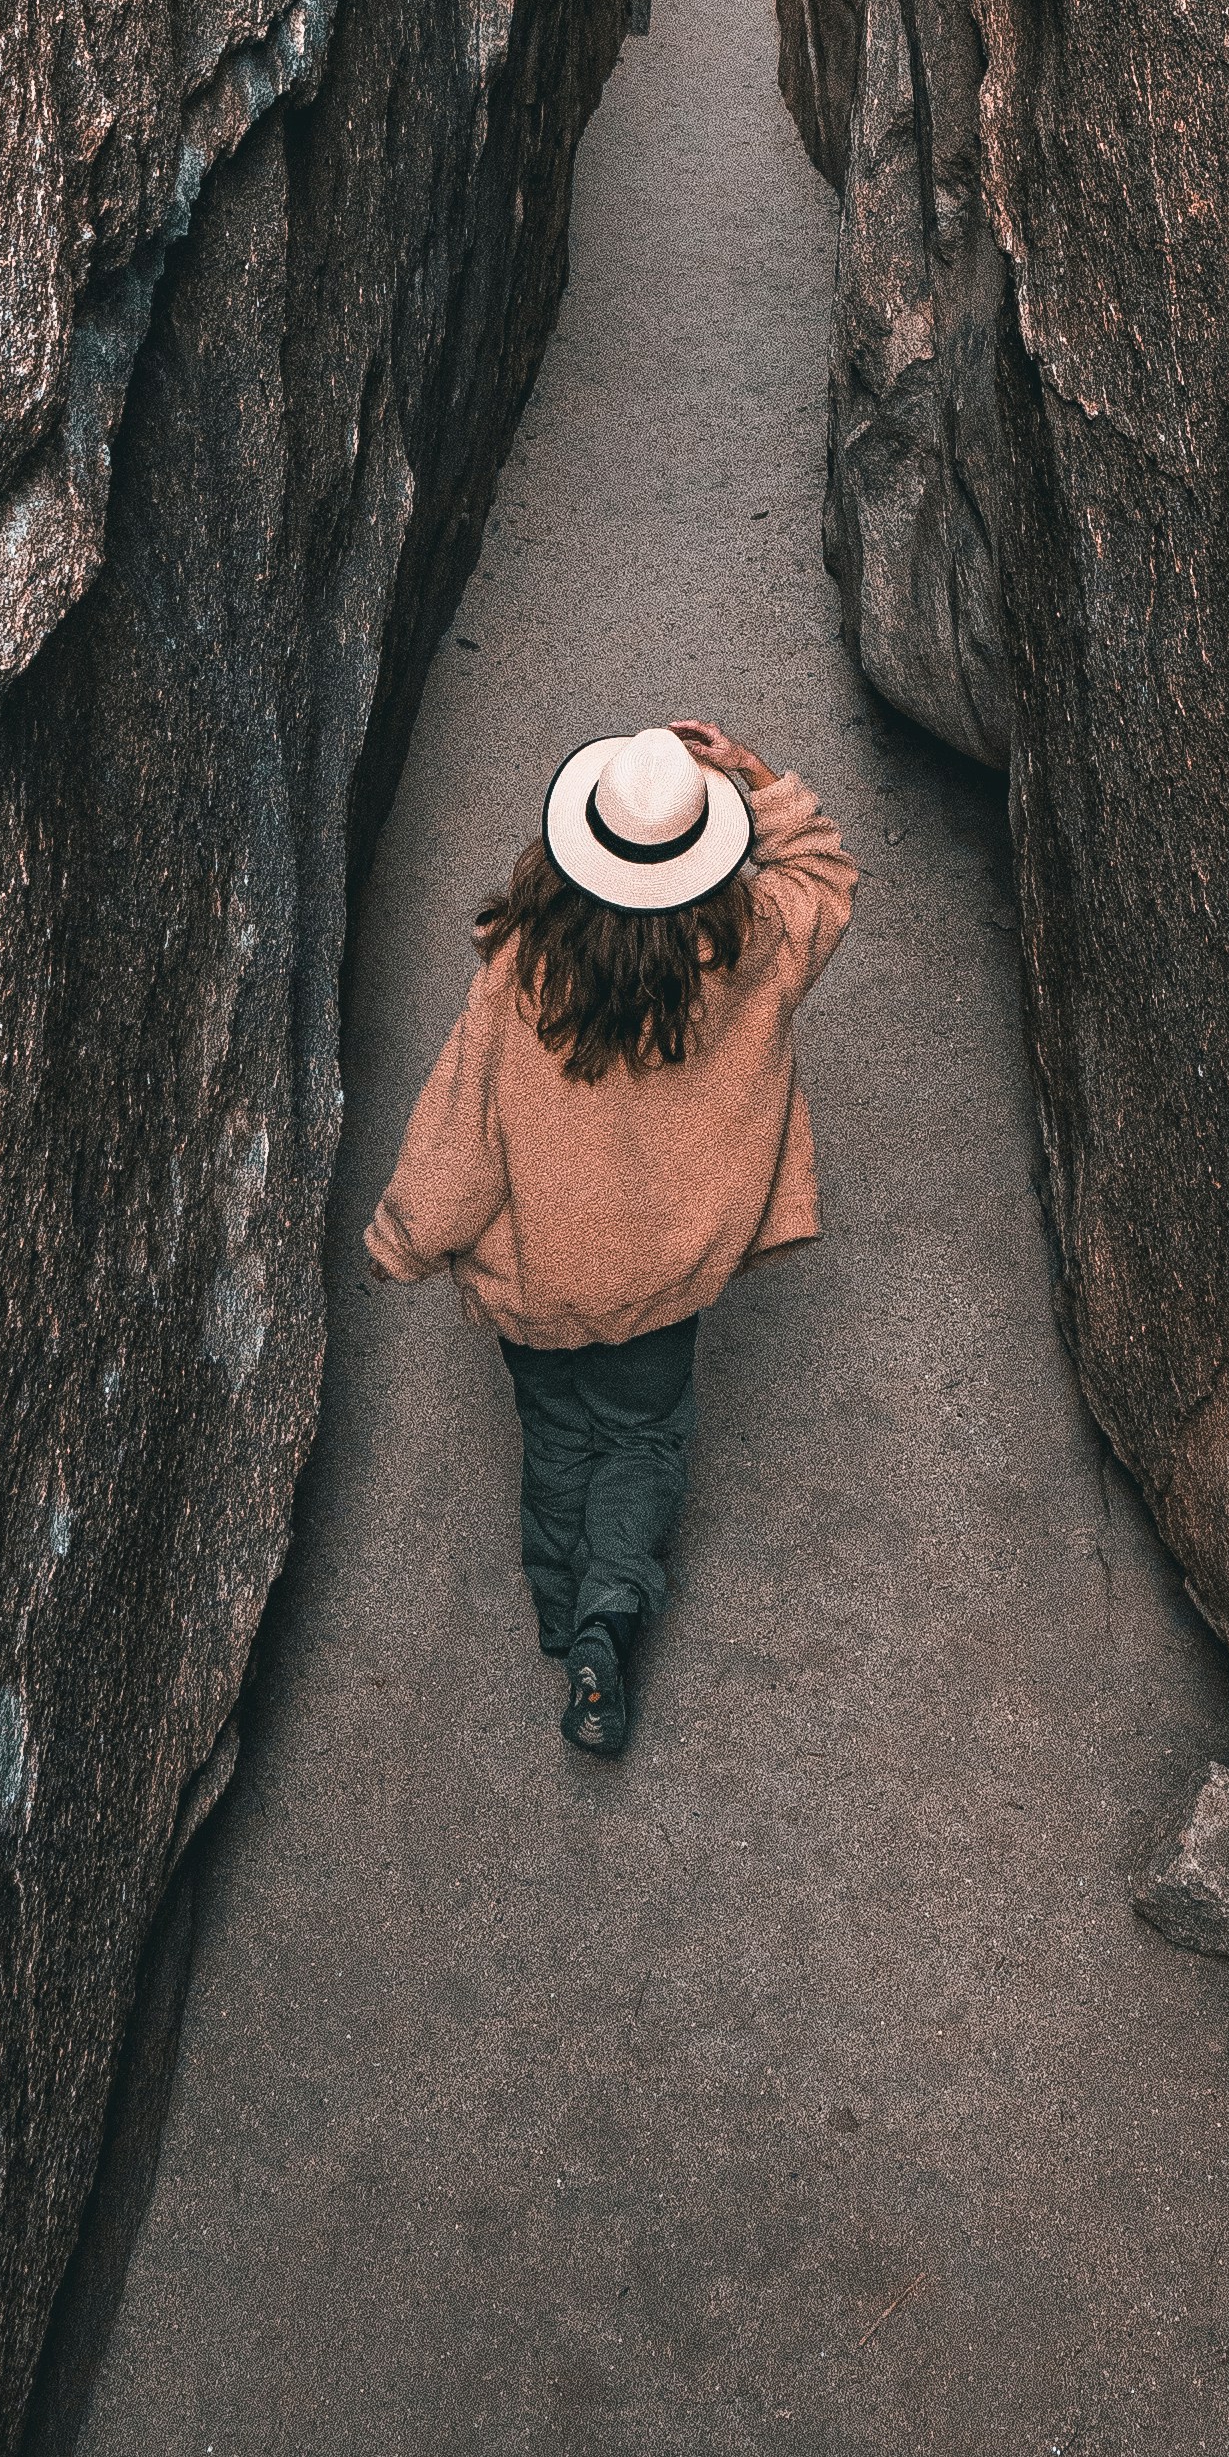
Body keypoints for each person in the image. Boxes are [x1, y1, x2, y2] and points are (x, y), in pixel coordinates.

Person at [365, 711, 858, 1756]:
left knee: (557, 1439)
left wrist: (406, 1235)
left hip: (539, 1283)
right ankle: (608, 1615)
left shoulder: (524, 970)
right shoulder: (753, 947)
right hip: (663, 1279)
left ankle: (560, 1615)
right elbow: (825, 871)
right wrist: (749, 770)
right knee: (642, 1438)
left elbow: (461, 1126)